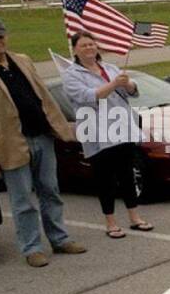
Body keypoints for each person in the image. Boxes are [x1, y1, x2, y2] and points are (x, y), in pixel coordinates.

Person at [0, 17, 88, 267]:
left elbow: (44, 97)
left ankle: (60, 239)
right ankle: (32, 248)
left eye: (0, 37)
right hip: (9, 146)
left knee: (50, 191)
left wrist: (60, 128)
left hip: (41, 137)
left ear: (7, 37)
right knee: (23, 201)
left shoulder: (23, 60)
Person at [60, 31, 153, 238]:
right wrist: (113, 84)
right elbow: (88, 97)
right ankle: (111, 223)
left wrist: (127, 83)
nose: (89, 49)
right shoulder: (71, 75)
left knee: (126, 175)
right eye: (83, 46)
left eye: (91, 44)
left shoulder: (110, 68)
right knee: (105, 179)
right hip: (98, 133)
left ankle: (134, 217)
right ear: (75, 50)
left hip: (122, 128)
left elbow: (133, 92)